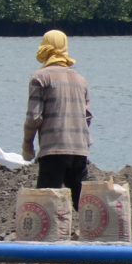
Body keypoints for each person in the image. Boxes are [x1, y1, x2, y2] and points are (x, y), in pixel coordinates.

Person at [20, 29, 91, 205]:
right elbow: (87, 117)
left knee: (46, 202)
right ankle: (93, 230)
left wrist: (27, 145)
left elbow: (34, 117)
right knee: (83, 203)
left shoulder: (40, 78)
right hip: (80, 149)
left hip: (53, 149)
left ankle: (49, 233)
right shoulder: (80, 79)